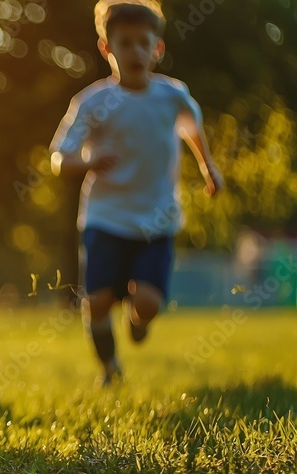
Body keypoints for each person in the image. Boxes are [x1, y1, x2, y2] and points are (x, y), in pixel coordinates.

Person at [50, 0, 223, 386]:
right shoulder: (92, 102)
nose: (135, 52)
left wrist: (207, 167)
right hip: (105, 216)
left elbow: (192, 129)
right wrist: (88, 163)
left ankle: (138, 319)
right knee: (96, 302)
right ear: (105, 48)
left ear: (157, 48)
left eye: (143, 43)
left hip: (156, 217)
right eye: (124, 43)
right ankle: (109, 369)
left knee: (147, 303)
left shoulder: (173, 95)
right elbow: (59, 158)